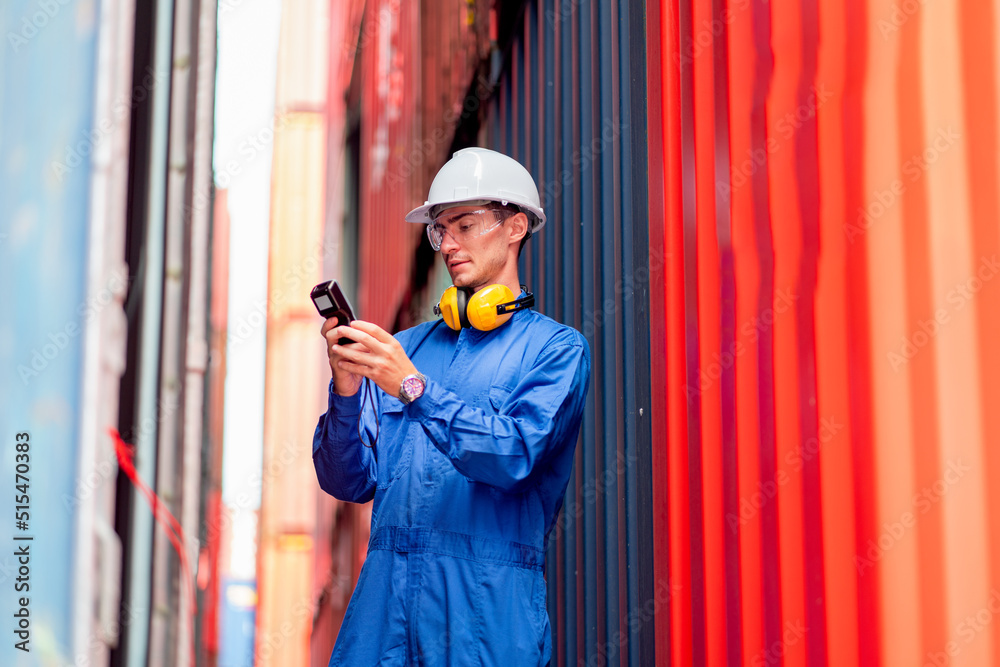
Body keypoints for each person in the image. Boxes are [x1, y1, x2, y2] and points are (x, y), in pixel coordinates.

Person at [312, 147, 591, 666]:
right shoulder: (409, 347)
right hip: (381, 620)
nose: (449, 244)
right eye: (441, 230)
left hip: (486, 620)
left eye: (465, 224)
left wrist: (414, 389)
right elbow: (346, 481)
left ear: (515, 227)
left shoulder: (556, 351)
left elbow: (514, 456)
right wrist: (347, 392)